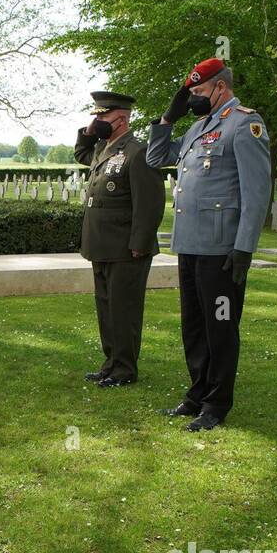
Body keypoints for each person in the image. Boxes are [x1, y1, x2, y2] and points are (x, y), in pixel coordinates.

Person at [146, 58, 270, 431]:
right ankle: (197, 394)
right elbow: (157, 158)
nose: (194, 99)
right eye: (191, 94)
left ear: (221, 87)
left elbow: (257, 191)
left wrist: (244, 247)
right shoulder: (200, 126)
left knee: (220, 325)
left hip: (222, 250)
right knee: (194, 325)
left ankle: (217, 403)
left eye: (198, 92)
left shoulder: (245, 125)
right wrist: (167, 120)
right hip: (191, 244)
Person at [74, 91, 165, 388]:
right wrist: (88, 132)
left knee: (123, 309)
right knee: (106, 307)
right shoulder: (103, 148)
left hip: (127, 247)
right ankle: (110, 363)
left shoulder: (138, 152)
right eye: (96, 115)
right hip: (100, 244)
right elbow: (80, 154)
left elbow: (149, 204)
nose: (97, 120)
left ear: (122, 119)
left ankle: (125, 369)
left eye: (103, 116)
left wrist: (140, 243)